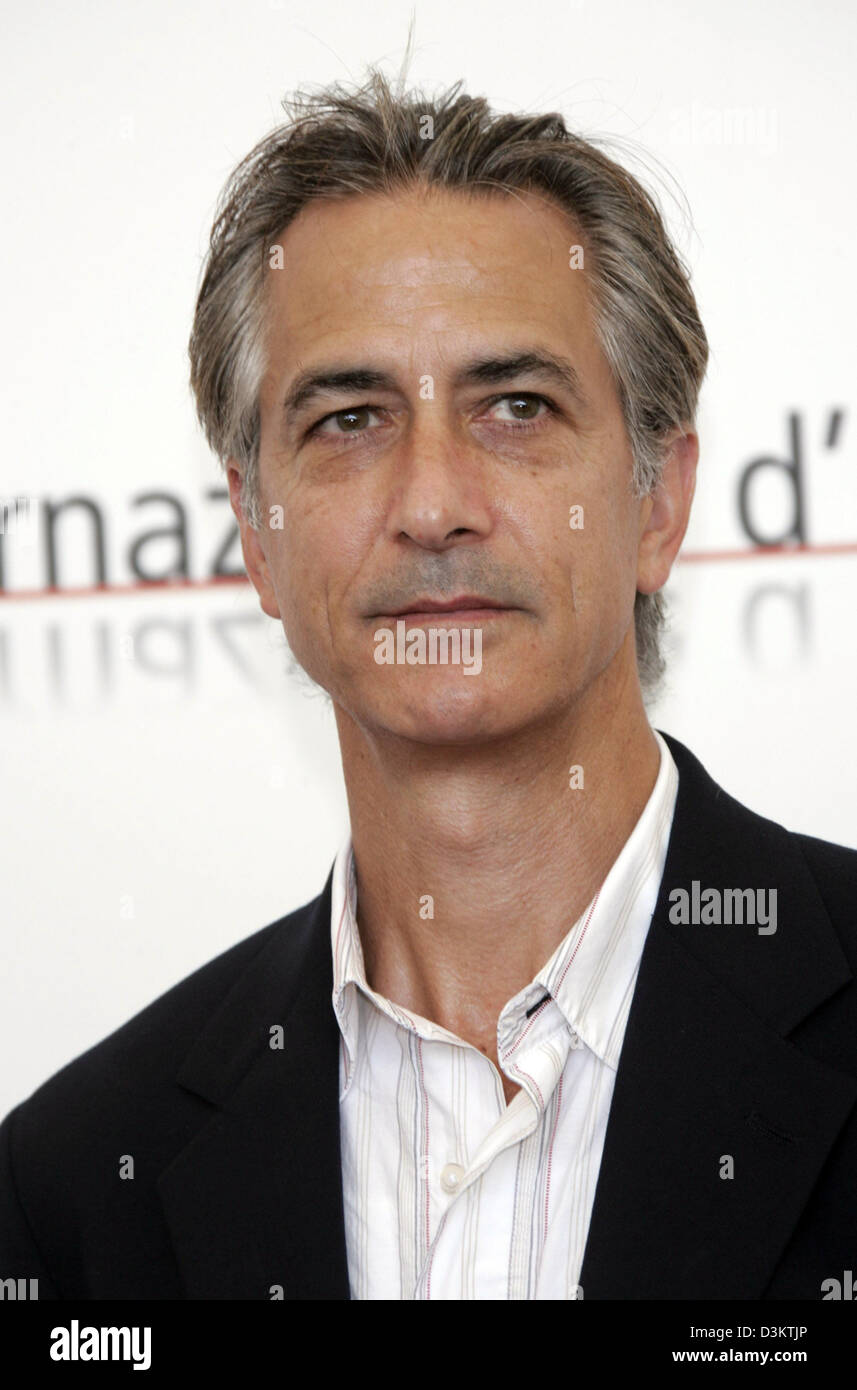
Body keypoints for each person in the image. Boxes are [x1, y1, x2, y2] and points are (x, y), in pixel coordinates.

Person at [2, 67, 856, 1302]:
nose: (431, 504)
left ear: (658, 501)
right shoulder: (81, 1182)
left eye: (514, 405)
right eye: (348, 419)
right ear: (255, 530)